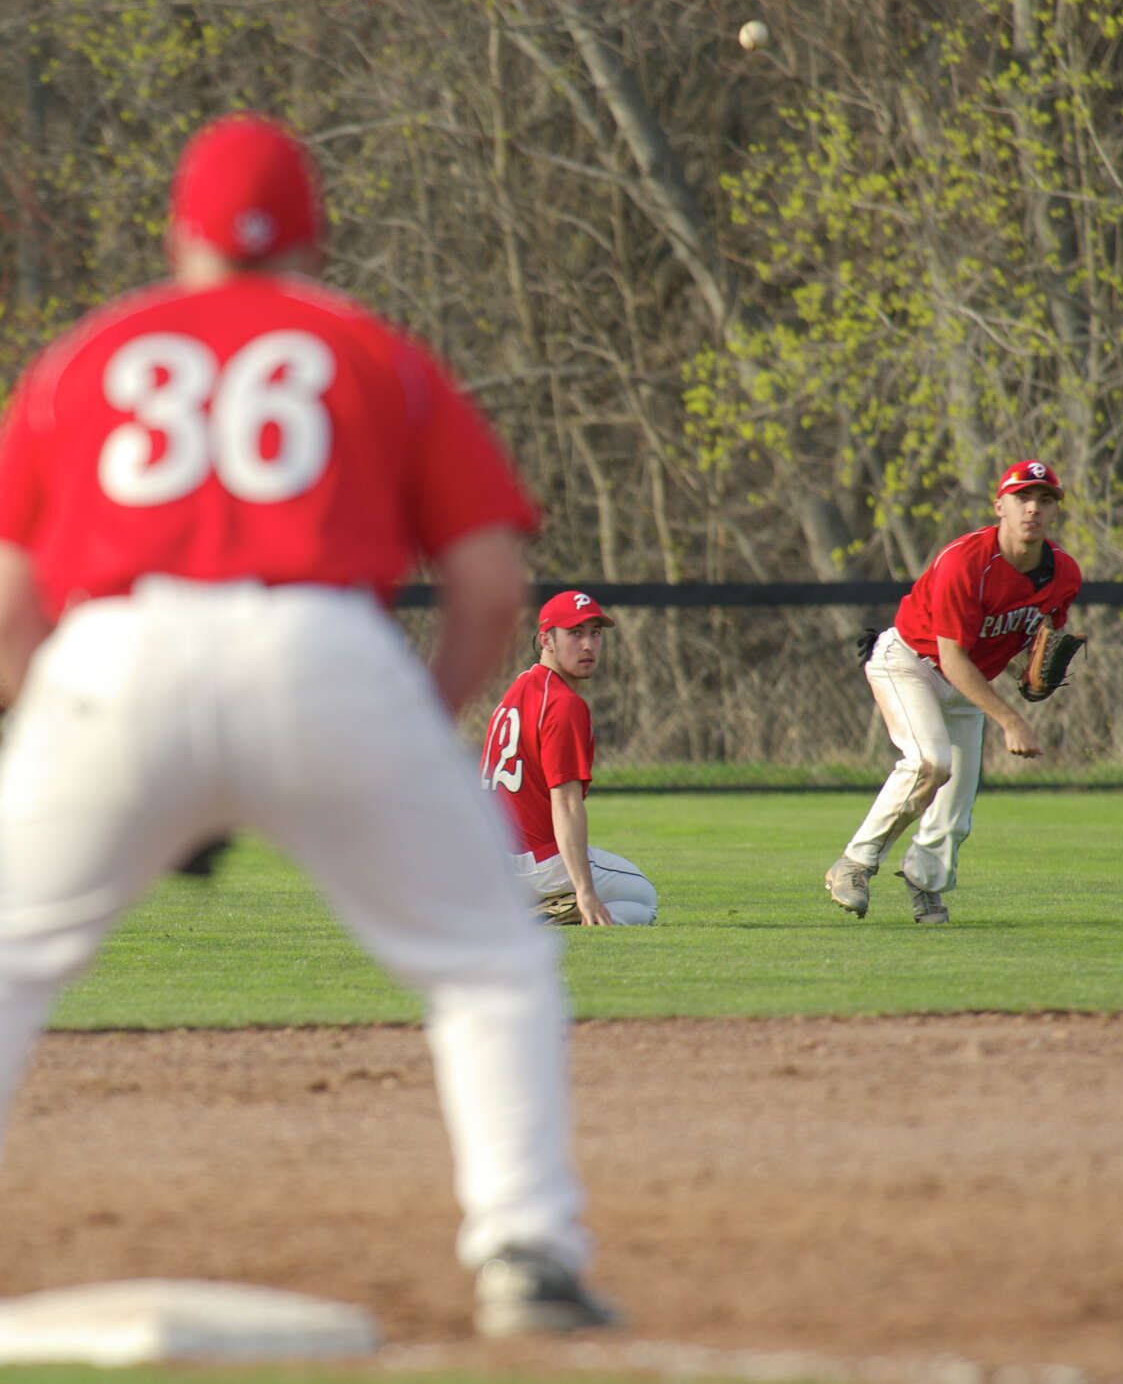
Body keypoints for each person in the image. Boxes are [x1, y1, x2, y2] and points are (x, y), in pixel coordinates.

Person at [0, 112, 616, 1339]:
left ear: (179, 234)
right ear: (313, 239)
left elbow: (11, 600)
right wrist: (409, 726)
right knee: (487, 965)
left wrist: (73, 736)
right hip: (324, 651)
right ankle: (527, 1251)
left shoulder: (86, 357)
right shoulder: (367, 350)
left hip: (114, 653)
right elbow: (493, 583)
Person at [824, 460, 1082, 925]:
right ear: (999, 506)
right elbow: (953, 658)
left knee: (955, 804)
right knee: (930, 762)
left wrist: (1030, 670)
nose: (1033, 509)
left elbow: (1036, 640)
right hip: (910, 663)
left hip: (970, 681)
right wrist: (1011, 718)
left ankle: (926, 884)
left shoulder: (1064, 573)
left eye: (1045, 500)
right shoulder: (965, 561)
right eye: (1023, 497)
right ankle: (855, 863)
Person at [480, 590, 657, 927]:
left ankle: (527, 909)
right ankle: (543, 917)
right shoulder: (563, 705)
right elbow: (567, 806)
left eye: (595, 633)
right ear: (546, 639)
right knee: (644, 900)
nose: (588, 645)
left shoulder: (520, 687)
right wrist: (584, 890)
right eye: (575, 633)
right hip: (538, 862)